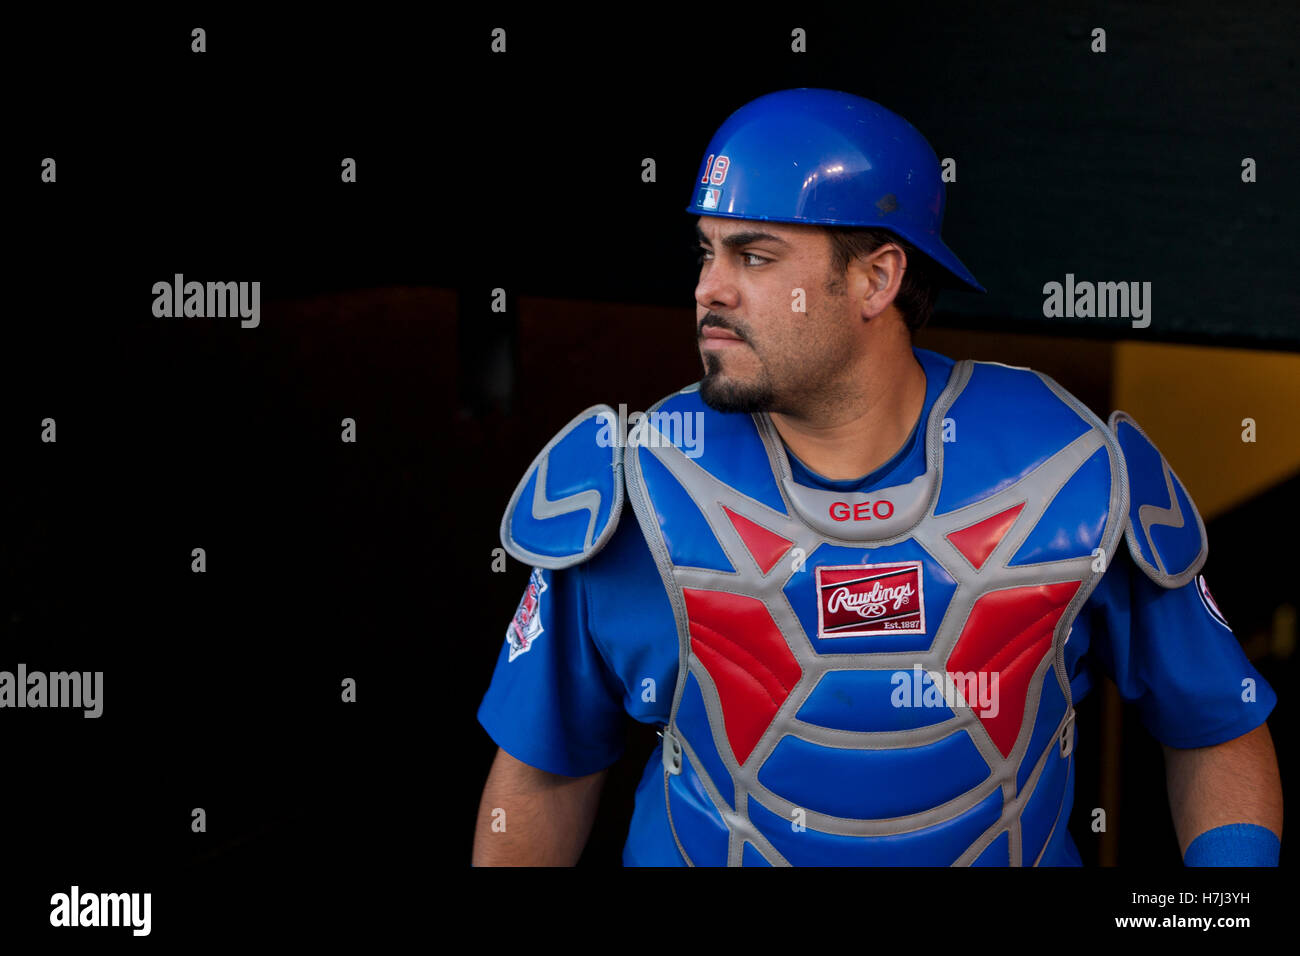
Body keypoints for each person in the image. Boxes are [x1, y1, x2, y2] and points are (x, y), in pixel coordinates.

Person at [472, 88, 1282, 866]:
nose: (706, 290)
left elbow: (1215, 725)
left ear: (876, 279)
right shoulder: (641, 483)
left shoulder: (1068, 470)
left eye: (754, 255)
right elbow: (544, 774)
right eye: (706, 251)